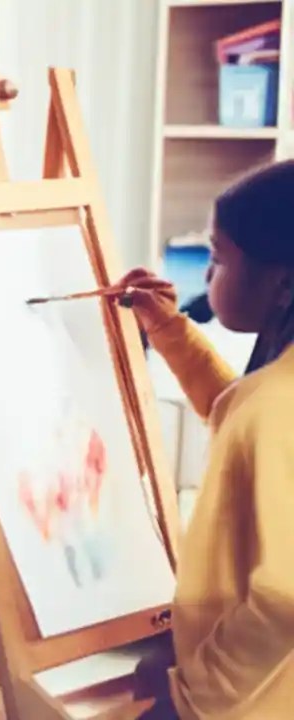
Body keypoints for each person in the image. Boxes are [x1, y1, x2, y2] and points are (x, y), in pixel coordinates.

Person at [120, 160, 294, 719]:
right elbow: (236, 417)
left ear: (282, 284)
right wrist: (170, 331)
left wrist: (193, 690)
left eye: (216, 257)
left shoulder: (275, 404)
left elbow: (285, 595)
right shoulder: (270, 394)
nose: (207, 275)